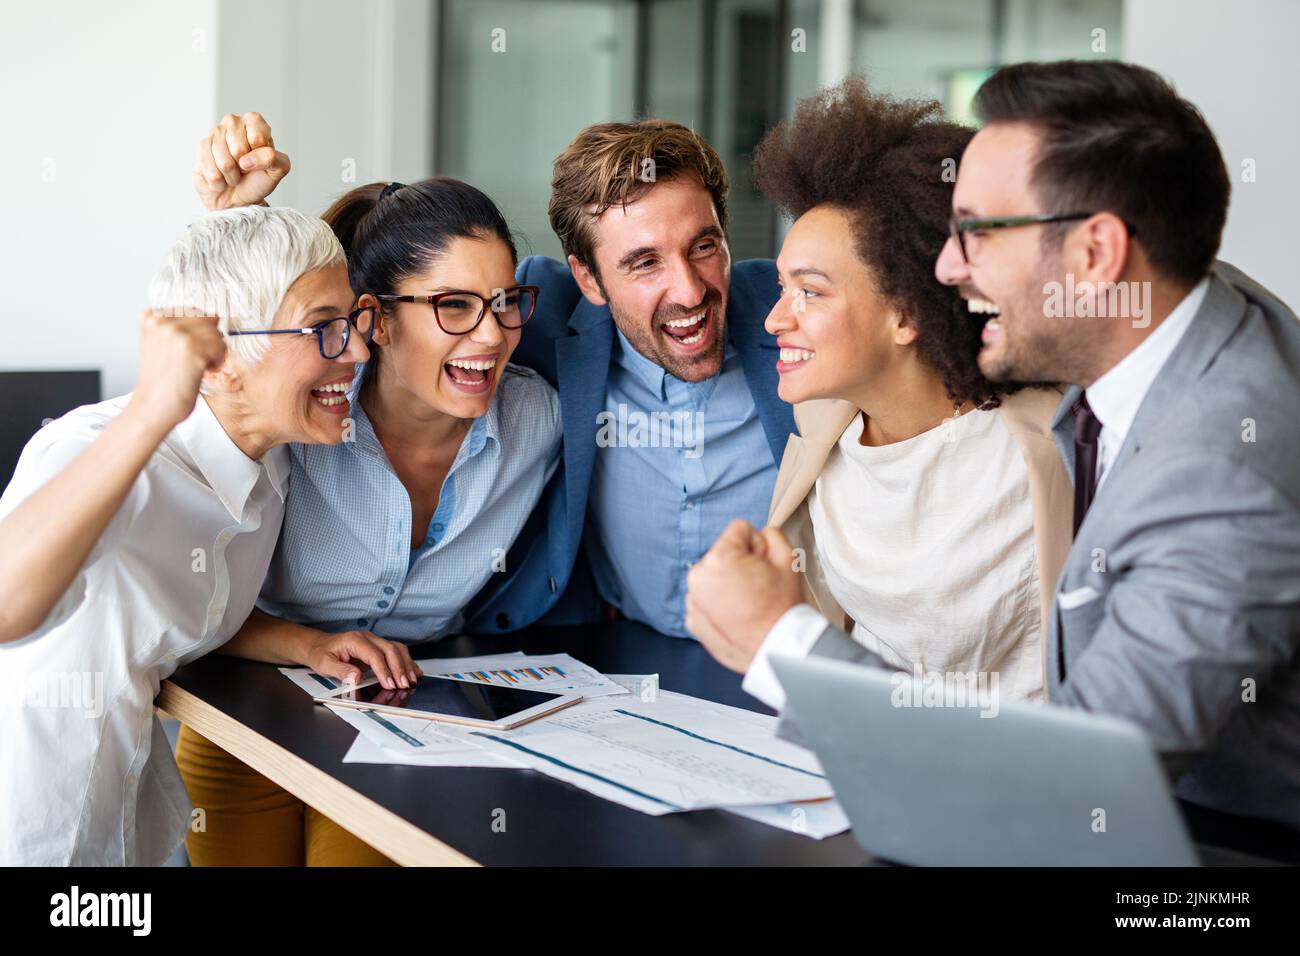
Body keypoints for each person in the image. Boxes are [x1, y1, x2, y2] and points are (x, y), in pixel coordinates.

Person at [688, 60, 1300, 842]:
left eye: (977, 231)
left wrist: (784, 646)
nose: (945, 267)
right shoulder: (1175, 313)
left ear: (1095, 254)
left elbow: (1081, 789)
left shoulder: (1225, 469)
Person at [181, 115, 563, 865]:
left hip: (413, 724)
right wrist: (235, 219)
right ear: (375, 321)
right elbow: (194, 589)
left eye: (505, 301)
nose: (490, 335)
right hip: (247, 707)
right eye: (453, 306)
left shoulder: (537, 422)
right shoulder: (302, 412)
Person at [0, 205, 409, 864]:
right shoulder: (93, 448)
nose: (359, 350)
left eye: (353, 319)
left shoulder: (270, 454)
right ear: (218, 357)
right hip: (33, 828)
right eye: (324, 329)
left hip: (137, 818)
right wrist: (152, 411)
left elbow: (180, 604)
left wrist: (306, 643)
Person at [686, 78, 1072, 709]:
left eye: (811, 291)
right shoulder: (823, 428)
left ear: (907, 312)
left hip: (1022, 779)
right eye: (783, 288)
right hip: (859, 758)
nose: (774, 320)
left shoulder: (1042, 450)